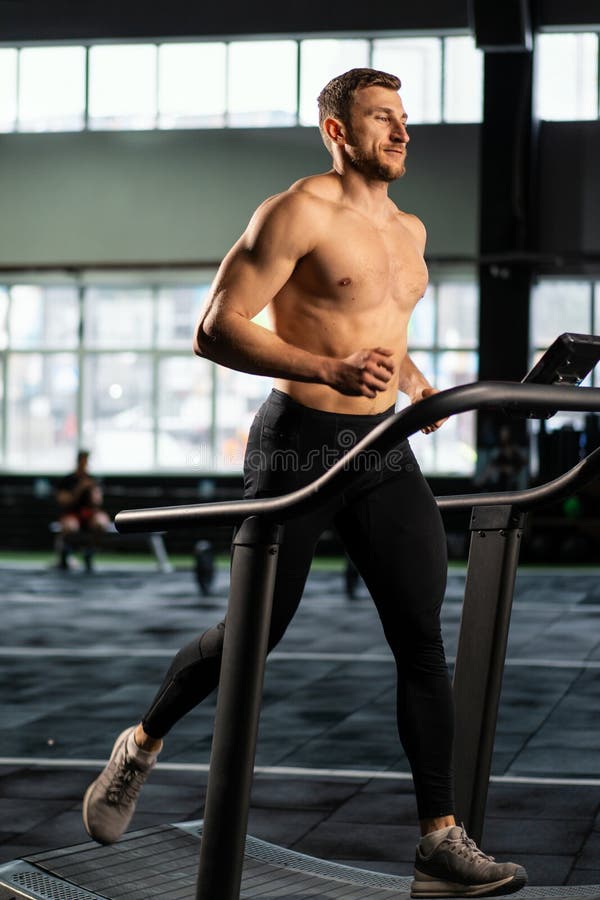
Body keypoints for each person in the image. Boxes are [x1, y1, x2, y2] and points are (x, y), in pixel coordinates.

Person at [82, 69, 527, 898]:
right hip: (298, 443)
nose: (401, 131)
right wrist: (328, 368)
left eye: (404, 118)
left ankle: (438, 841)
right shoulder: (295, 212)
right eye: (381, 118)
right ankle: (139, 746)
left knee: (422, 642)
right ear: (336, 131)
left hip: (382, 449)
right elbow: (215, 328)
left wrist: (414, 383)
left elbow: (379, 331)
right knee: (252, 633)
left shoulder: (410, 229)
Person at [55, 449, 110, 571]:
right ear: (78, 462)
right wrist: (79, 489)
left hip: (89, 515)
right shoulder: (68, 480)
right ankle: (66, 555)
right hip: (72, 514)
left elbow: (98, 502)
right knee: (70, 526)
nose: (85, 465)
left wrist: (92, 493)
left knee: (100, 523)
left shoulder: (93, 480)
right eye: (83, 462)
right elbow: (63, 501)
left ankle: (89, 553)